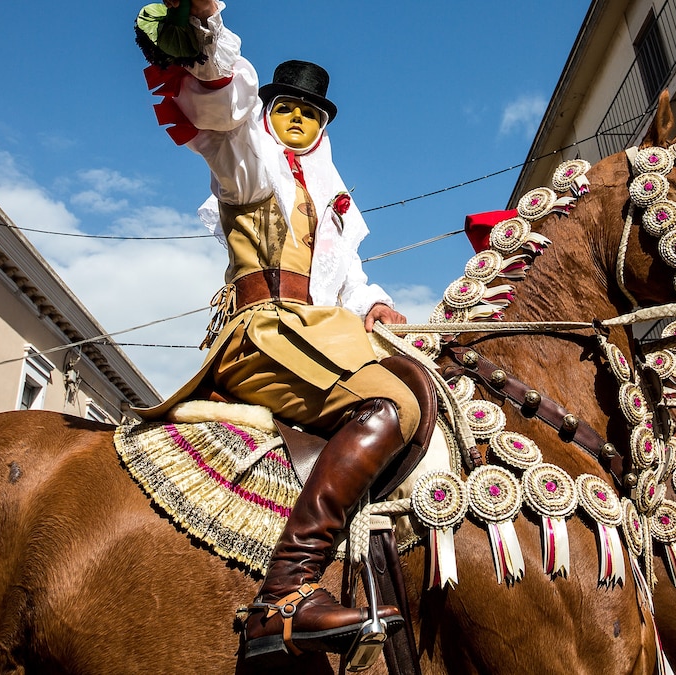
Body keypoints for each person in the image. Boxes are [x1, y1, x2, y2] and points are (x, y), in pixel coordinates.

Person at [135, 0, 422, 661]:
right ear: (269, 112)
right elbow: (225, 118)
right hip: (264, 331)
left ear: (323, 126)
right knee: (391, 404)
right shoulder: (250, 165)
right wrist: (206, 40)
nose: (297, 118)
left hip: (327, 334)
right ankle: (285, 591)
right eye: (286, 107)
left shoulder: (335, 210)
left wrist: (378, 306)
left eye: (310, 113)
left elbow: (351, 281)